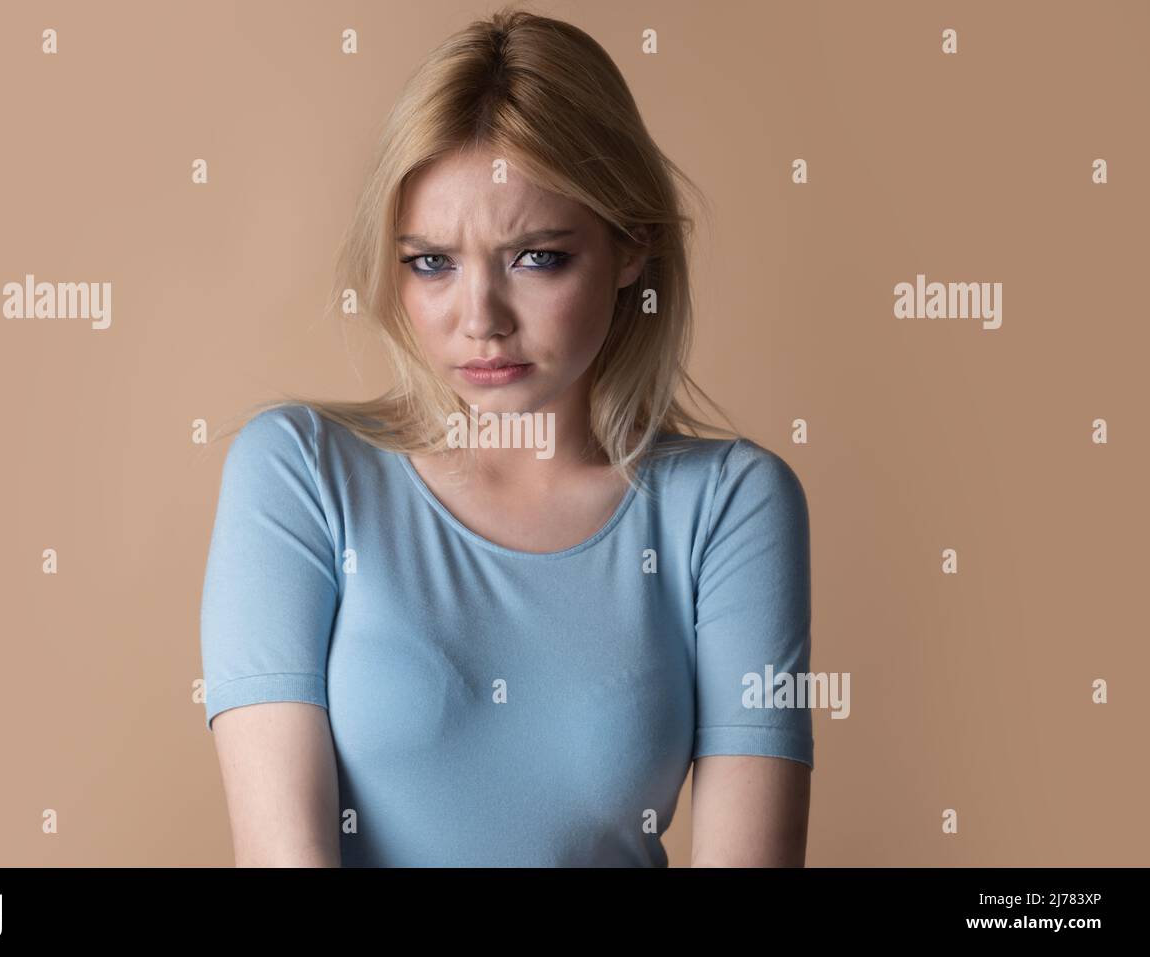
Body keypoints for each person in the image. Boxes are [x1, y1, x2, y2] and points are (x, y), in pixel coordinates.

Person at [199, 5, 813, 867]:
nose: (479, 319)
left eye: (537, 257)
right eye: (432, 262)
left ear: (631, 248)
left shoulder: (729, 506)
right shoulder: (300, 474)